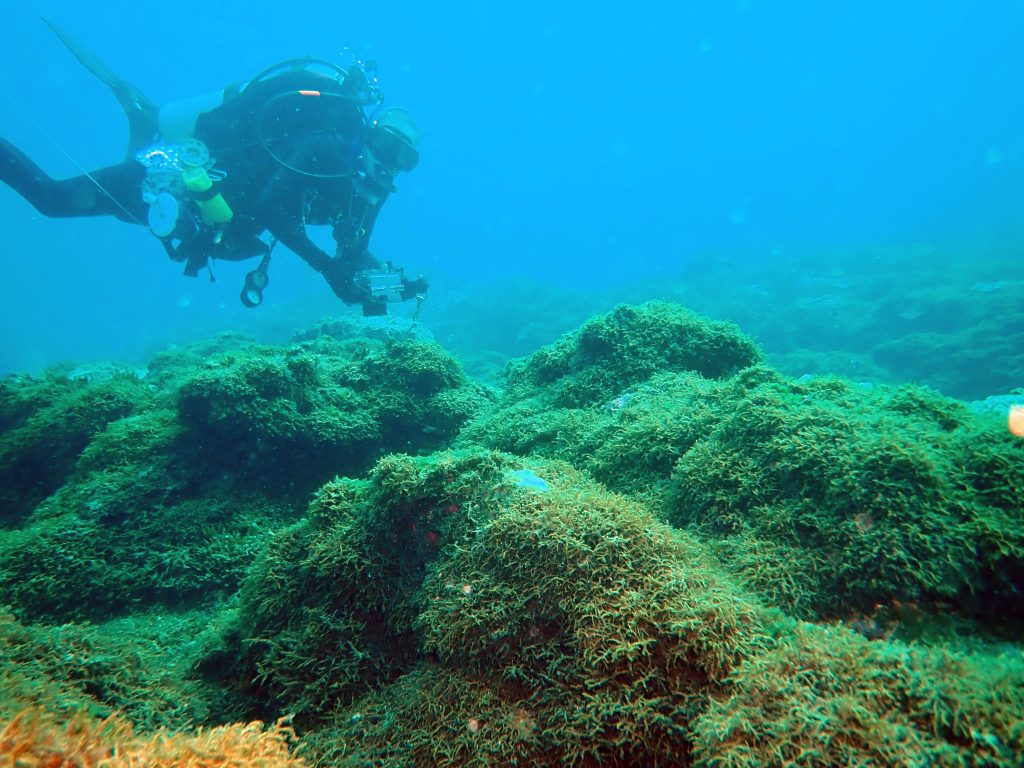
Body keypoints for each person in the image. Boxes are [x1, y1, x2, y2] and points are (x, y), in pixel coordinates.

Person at [0, 19, 428, 315]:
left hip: (213, 215)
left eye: (403, 159)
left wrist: (393, 285)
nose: (389, 164)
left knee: (111, 176)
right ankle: (142, 115)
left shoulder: (368, 192)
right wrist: (327, 268)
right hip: (192, 183)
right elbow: (271, 209)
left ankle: (141, 117)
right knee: (53, 198)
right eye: (386, 148)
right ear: (368, 136)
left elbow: (351, 254)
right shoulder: (322, 148)